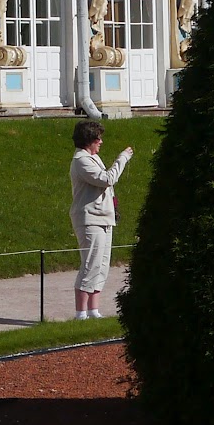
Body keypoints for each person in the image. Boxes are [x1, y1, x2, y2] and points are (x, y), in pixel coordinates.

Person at [69, 120, 133, 319]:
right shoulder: (81, 160)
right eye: (98, 138)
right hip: (90, 219)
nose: (101, 142)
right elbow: (106, 179)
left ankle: (94, 310)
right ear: (89, 140)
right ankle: (81, 313)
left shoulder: (93, 158)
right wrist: (122, 159)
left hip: (104, 217)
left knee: (102, 264)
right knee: (90, 264)